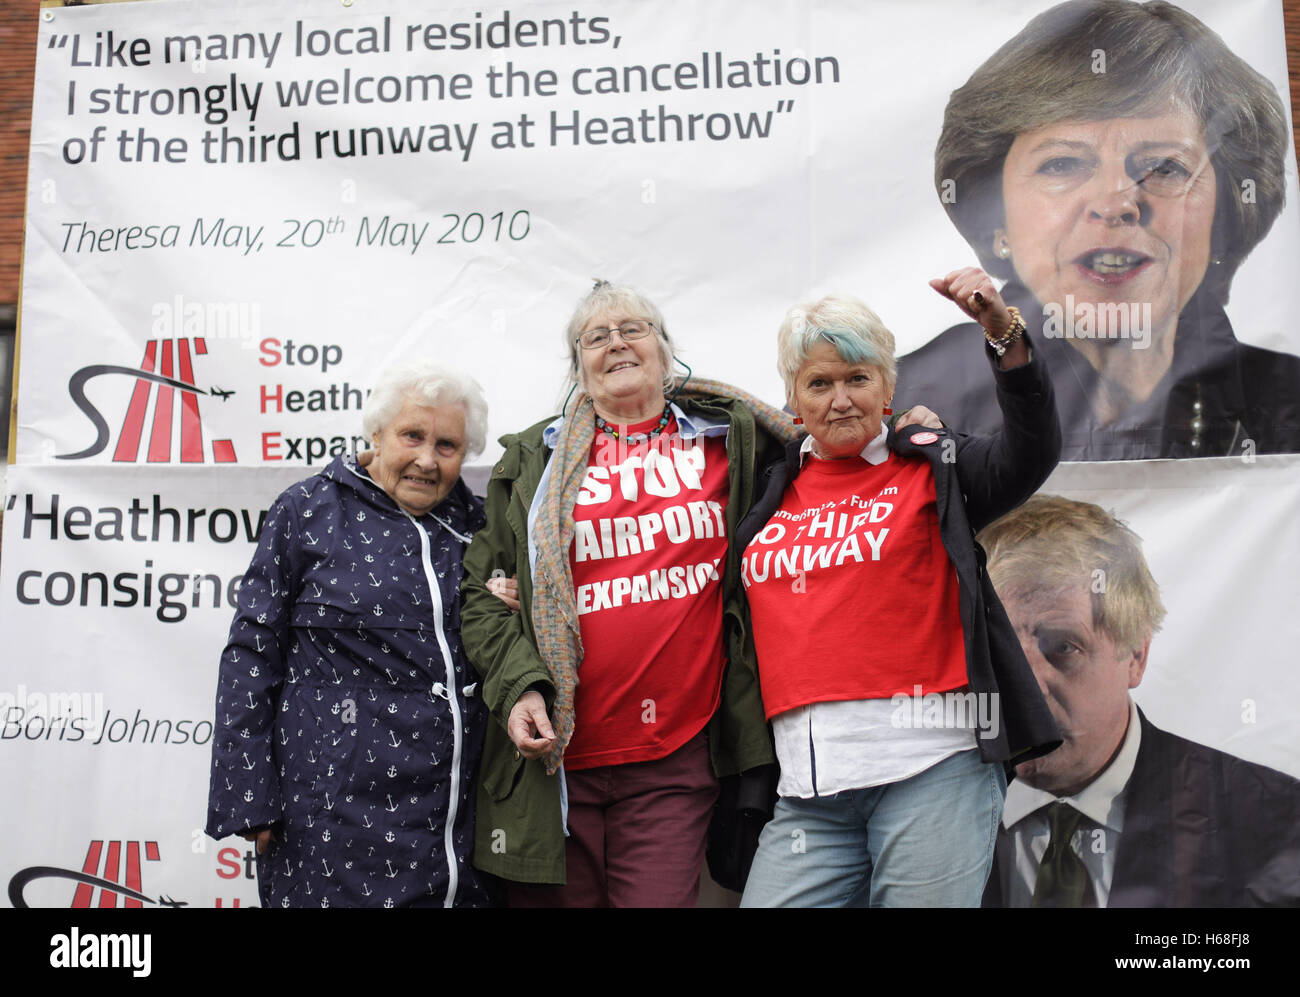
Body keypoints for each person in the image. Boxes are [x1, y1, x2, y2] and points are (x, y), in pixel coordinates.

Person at [459, 280, 809, 906]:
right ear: (578, 368)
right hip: (555, 759)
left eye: (633, 330)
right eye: (596, 338)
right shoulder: (532, 461)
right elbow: (481, 598)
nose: (616, 343)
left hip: (674, 756)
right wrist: (518, 689)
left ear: (666, 351)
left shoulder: (734, 439)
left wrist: (915, 424)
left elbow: (842, 450)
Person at [736, 268, 1062, 907]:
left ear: (887, 389)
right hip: (807, 795)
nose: (841, 400)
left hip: (932, 773)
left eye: (858, 379)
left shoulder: (934, 465)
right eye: (819, 384)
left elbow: (1032, 450)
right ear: (793, 399)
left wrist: (1003, 334)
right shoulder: (767, 491)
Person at [897, 0, 1300, 461]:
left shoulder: (1290, 401)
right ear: (996, 219)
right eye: (1063, 164)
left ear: (1226, 213)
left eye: (1165, 168)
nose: (1116, 204)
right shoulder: (897, 402)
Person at [205, 359, 493, 908]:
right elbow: (250, 653)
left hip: (450, 809)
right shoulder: (307, 510)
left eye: (448, 445)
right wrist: (248, 796)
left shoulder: (476, 527)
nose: (426, 460)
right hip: (330, 804)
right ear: (377, 433)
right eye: (412, 435)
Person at [977, 494, 1300, 907]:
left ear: (1136, 655)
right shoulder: (909, 816)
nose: (1024, 688)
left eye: (1062, 647)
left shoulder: (1276, 827)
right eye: (996, 650)